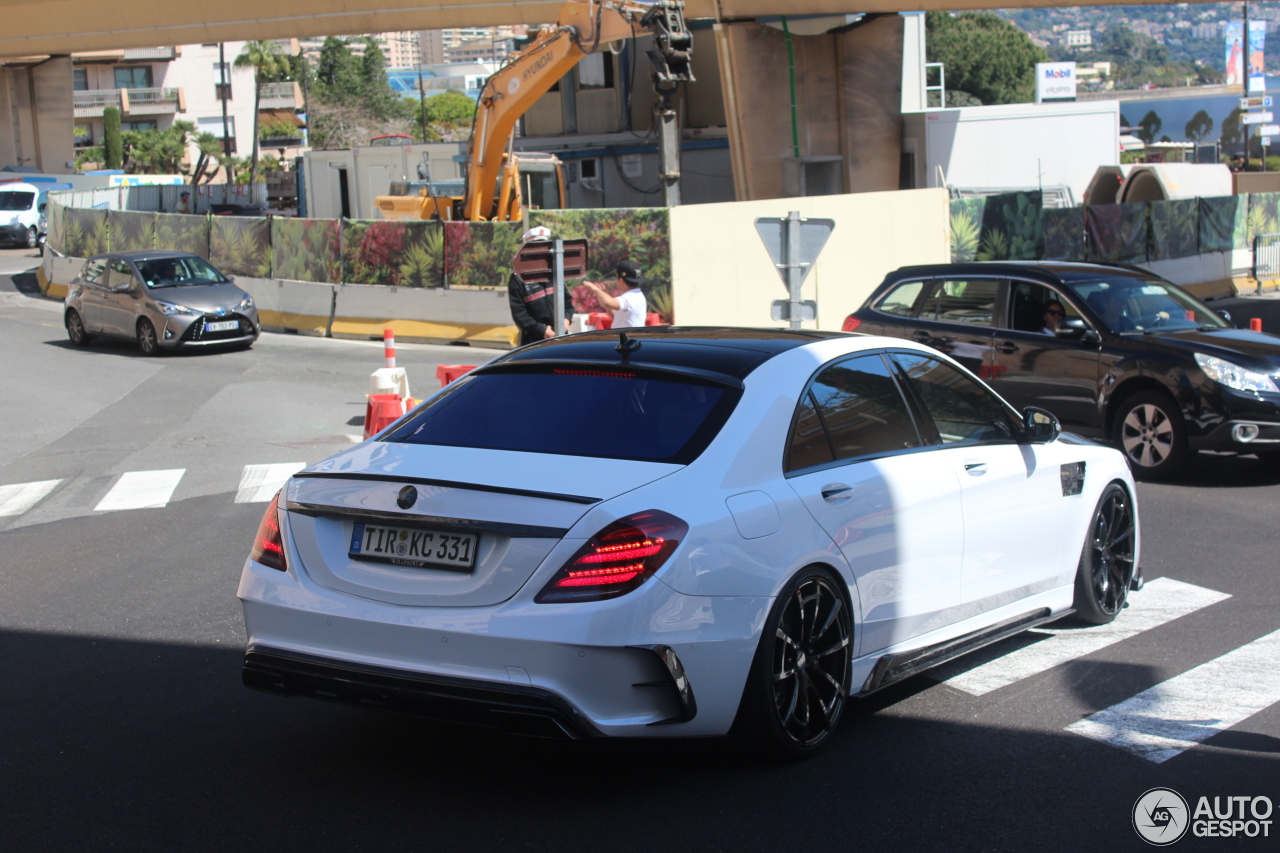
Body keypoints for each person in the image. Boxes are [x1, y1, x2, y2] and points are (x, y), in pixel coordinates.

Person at [507, 226, 572, 346]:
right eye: (536, 247)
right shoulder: (518, 278)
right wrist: (543, 330)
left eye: (544, 246)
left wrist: (566, 321)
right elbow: (520, 315)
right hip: (533, 342)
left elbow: (568, 302)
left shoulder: (554, 273)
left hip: (561, 337)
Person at [582, 260, 648, 329]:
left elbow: (607, 302)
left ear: (621, 280)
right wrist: (603, 293)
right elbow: (614, 315)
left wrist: (595, 288)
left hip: (628, 338)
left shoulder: (631, 298)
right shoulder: (637, 295)